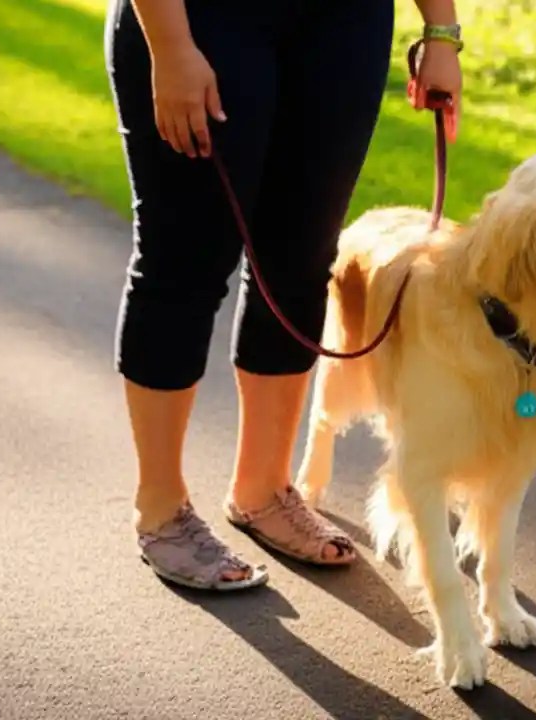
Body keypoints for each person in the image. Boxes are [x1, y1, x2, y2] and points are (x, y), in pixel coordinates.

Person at [104, 0, 462, 590]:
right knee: (184, 262)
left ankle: (263, 490)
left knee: (301, 261)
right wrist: (169, 48)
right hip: (201, 21)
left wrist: (441, 30)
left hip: (343, 25)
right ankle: (161, 509)